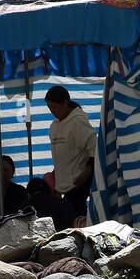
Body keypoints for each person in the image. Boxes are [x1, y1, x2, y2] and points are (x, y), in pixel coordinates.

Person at [44, 85, 96, 226]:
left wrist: (86, 173)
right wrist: (55, 179)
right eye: (50, 109)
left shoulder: (78, 122)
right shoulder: (54, 126)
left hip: (78, 183)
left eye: (55, 108)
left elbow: (94, 151)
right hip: (62, 184)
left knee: (76, 220)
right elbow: (60, 157)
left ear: (65, 103)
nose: (53, 112)